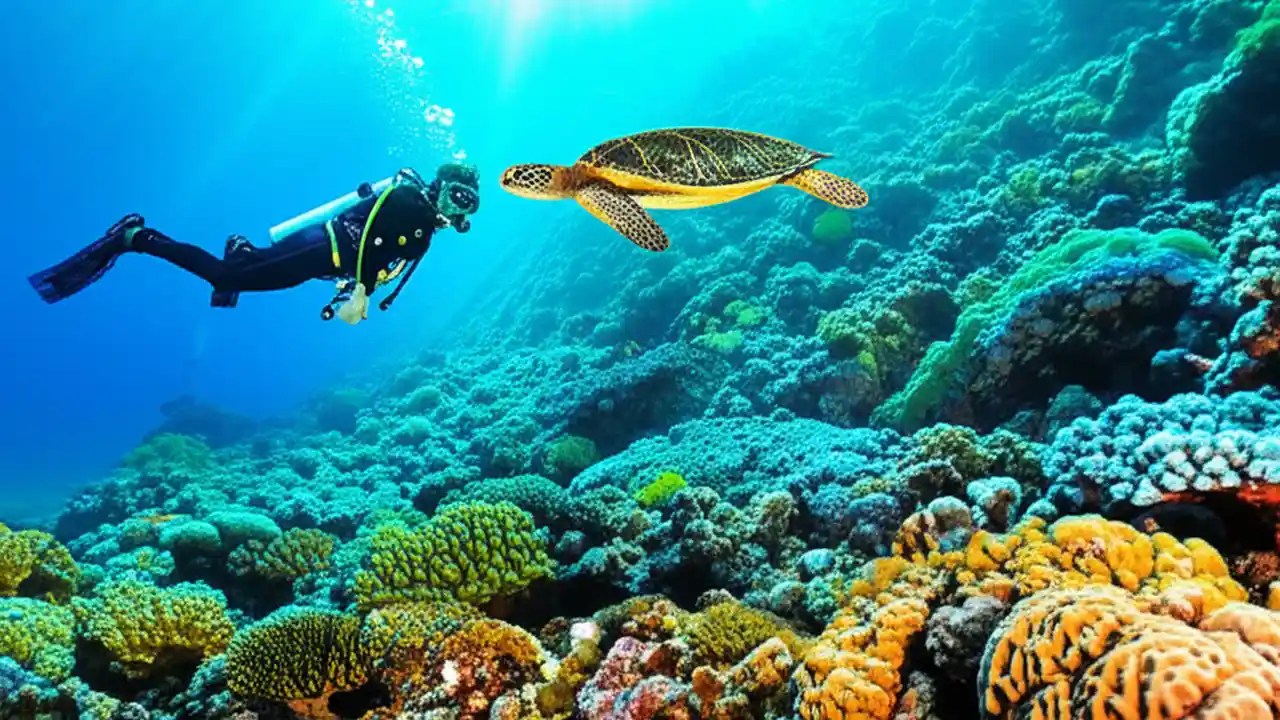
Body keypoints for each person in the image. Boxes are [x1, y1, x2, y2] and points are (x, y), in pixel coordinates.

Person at [28, 163, 480, 324]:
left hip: (320, 256)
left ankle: (243, 249)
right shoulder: (411, 203)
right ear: (441, 186)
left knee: (245, 275)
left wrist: (355, 289)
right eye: (458, 197)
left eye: (469, 205)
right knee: (226, 277)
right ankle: (137, 237)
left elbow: (382, 256)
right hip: (320, 249)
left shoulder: (423, 221)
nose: (460, 210)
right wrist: (360, 292)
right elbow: (373, 246)